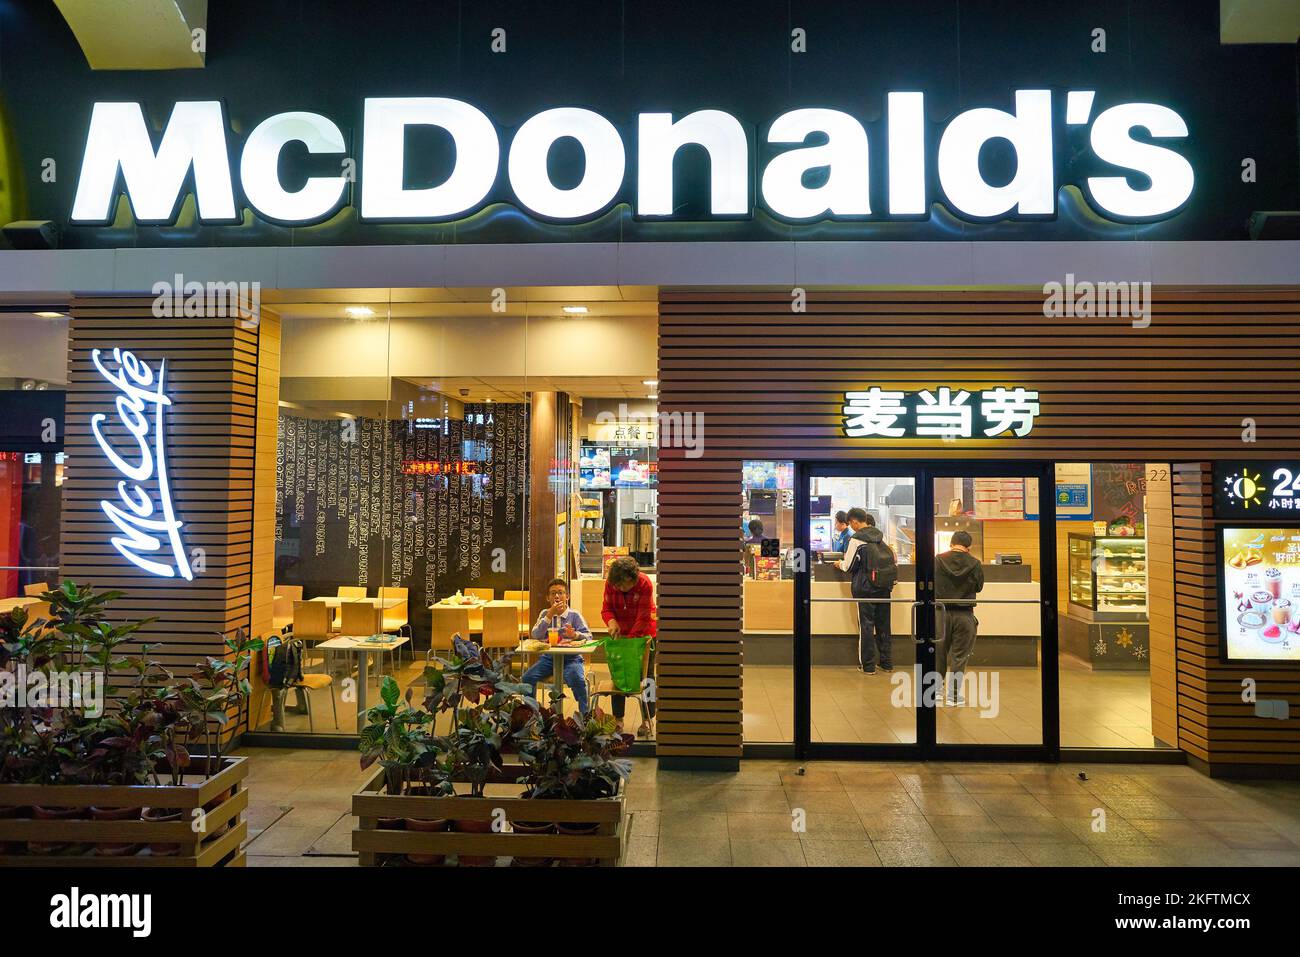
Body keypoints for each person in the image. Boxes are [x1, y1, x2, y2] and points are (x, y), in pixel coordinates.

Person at [601, 555, 657, 736]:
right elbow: (606, 609)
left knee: (647, 677)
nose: (619, 588)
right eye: (617, 585)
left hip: (645, 635)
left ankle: (648, 719)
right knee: (618, 675)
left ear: (633, 578)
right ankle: (618, 720)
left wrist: (631, 641)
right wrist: (611, 622)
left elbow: (644, 616)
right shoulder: (611, 583)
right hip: (620, 635)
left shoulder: (645, 584)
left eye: (623, 585)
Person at [838, 509, 897, 674]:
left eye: (851, 524)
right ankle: (886, 663)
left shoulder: (857, 539)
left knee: (866, 626)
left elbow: (848, 566)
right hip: (884, 587)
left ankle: (868, 665)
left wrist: (839, 564)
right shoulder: (880, 536)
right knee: (884, 624)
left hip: (865, 588)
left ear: (855, 522)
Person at [522, 577, 591, 714]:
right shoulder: (545, 613)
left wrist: (575, 635)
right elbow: (536, 635)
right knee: (527, 678)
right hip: (548, 659)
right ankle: (531, 713)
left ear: (567, 596)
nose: (557, 596)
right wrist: (549, 615)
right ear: (548, 598)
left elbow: (589, 636)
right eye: (553, 593)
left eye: (560, 592)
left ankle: (585, 716)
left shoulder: (574, 615)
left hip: (571, 659)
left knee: (577, 679)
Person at [935, 529, 985, 705]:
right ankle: (953, 696)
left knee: (938, 653)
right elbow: (978, 587)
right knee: (959, 656)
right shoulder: (975, 563)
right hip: (965, 615)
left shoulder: (938, 560)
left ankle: (937, 691)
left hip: (940, 613)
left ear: (951, 543)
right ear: (969, 547)